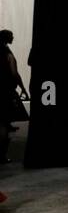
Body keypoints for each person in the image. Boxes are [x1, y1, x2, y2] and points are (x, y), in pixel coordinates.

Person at [2, 30, 27, 164]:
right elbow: (14, 73)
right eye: (11, 36)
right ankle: (2, 155)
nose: (13, 37)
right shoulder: (8, 54)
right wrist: (22, 88)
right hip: (5, 91)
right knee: (3, 123)